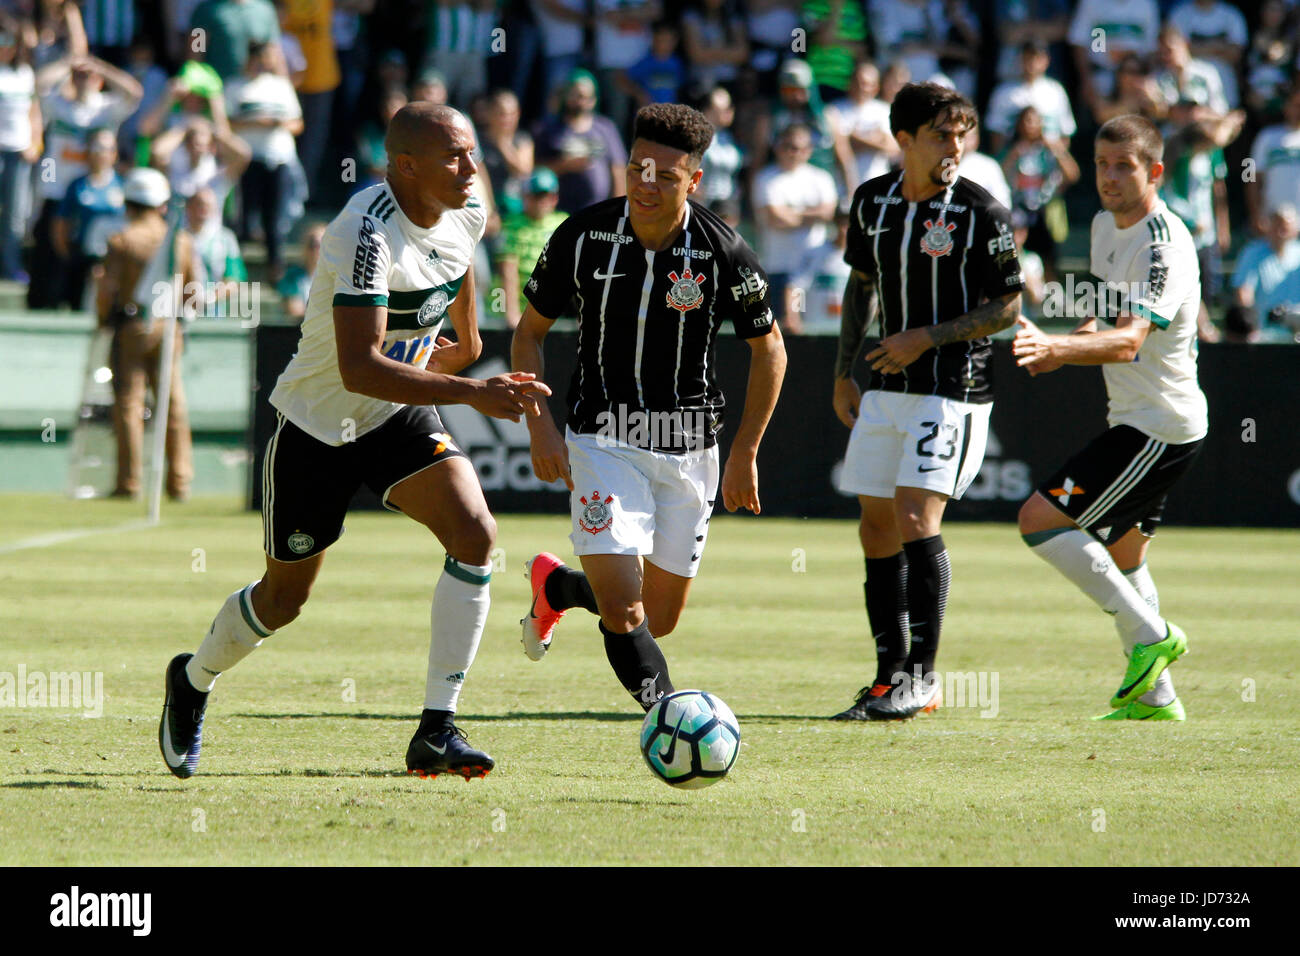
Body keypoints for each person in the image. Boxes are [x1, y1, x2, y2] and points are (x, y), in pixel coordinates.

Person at [157, 103, 552, 781]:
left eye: (471, 150)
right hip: (317, 426)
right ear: (404, 166)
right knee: (284, 601)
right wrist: (474, 393)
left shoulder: (467, 206)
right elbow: (360, 367)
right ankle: (192, 680)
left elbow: (457, 275)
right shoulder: (363, 235)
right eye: (453, 155)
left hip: (394, 418)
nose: (470, 165)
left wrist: (470, 342)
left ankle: (437, 728)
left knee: (476, 534)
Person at [511, 102, 786, 712]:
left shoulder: (724, 251)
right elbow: (527, 334)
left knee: (656, 619)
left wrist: (745, 451)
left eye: (665, 174)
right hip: (601, 440)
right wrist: (542, 429)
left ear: (694, 180)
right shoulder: (582, 236)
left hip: (692, 450)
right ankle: (672, 718)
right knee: (624, 608)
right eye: (637, 168)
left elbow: (771, 351)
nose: (646, 184)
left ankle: (555, 585)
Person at [830, 82, 1024, 721]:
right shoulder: (871, 202)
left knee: (915, 516)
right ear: (904, 139)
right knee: (874, 523)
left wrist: (928, 337)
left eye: (963, 133)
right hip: (886, 385)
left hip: (954, 388)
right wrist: (841, 371)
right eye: (943, 134)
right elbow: (862, 287)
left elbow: (1008, 307)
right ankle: (889, 676)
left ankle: (924, 675)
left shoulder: (981, 212)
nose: (957, 146)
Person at [1012, 114, 1206, 721]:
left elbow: (1129, 341)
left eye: (1124, 166)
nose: (1109, 177)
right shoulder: (1102, 225)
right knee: (1125, 555)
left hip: (1159, 424)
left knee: (1039, 520)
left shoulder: (1163, 245)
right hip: (1143, 417)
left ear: (1154, 171)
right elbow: (1102, 317)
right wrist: (1059, 345)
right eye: (1100, 164)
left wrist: (1058, 352)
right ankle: (1156, 698)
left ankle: (1151, 635)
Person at [96, 167, 197, 502]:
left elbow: (107, 289)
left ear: (129, 204)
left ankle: (129, 482)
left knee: (129, 404)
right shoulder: (181, 241)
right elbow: (192, 292)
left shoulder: (122, 241)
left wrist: (101, 321)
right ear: (161, 205)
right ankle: (179, 481)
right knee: (173, 404)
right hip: (169, 326)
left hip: (133, 326)